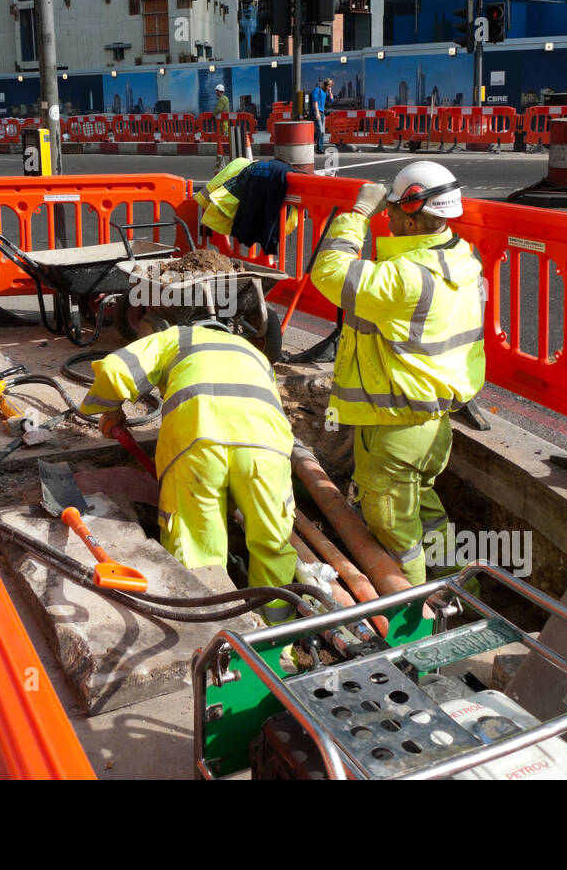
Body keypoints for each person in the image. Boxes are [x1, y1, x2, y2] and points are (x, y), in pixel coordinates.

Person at [310, 160, 485, 586]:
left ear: (411, 213)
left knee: (394, 533)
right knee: (423, 512)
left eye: (390, 209)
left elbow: (329, 272)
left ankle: (412, 622)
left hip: (394, 429)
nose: (384, 216)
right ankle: (467, 589)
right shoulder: (463, 258)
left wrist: (356, 215)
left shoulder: (406, 279)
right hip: (432, 423)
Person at [80, 324, 299, 623]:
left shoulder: (178, 337)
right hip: (266, 446)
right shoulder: (254, 353)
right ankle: (278, 639)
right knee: (271, 541)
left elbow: (115, 368)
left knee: (197, 546)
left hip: (197, 439)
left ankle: (210, 637)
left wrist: (110, 408)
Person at [310, 77, 334, 154]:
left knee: (322, 132)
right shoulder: (317, 90)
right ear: (325, 84)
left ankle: (320, 149)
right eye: (329, 86)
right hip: (316, 112)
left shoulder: (325, 92)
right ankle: (308, 141)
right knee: (320, 130)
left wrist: (330, 91)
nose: (330, 87)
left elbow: (331, 100)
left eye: (331, 86)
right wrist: (317, 113)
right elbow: (315, 102)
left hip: (322, 113)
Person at [214, 83, 230, 154]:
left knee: (223, 129)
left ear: (219, 91)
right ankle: (225, 138)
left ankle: (224, 139)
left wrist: (214, 115)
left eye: (216, 91)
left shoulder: (222, 99)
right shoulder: (226, 98)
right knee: (225, 128)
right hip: (225, 117)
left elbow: (218, 109)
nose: (216, 92)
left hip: (223, 118)